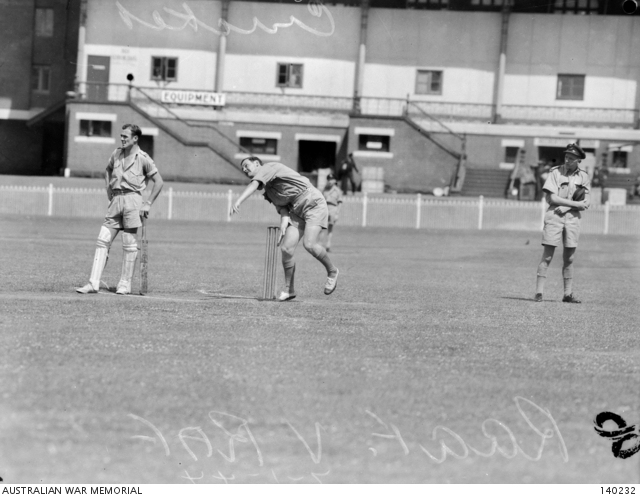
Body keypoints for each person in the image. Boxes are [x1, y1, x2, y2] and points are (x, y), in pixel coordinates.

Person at [230, 156, 339, 301]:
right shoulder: (268, 190)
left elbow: (254, 184)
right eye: (242, 168)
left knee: (309, 244)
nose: (244, 169)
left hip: (312, 202)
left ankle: (332, 271)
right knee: (286, 248)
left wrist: (238, 201)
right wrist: (283, 222)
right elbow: (282, 208)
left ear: (257, 164)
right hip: (297, 210)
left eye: (246, 165)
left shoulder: (267, 168)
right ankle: (290, 290)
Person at [76, 124, 164, 295]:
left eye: (125, 136)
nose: (122, 139)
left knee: (129, 244)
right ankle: (92, 283)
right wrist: (108, 188)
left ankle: (124, 284)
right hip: (116, 200)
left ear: (135, 138)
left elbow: (159, 182)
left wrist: (148, 203)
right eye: (121, 136)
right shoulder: (116, 153)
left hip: (133, 201)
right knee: (103, 239)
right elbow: (108, 170)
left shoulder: (143, 158)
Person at [534, 143, 590, 304]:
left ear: (578, 160)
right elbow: (552, 198)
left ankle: (567, 294)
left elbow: (587, 201)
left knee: (570, 257)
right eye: (566, 157)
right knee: (548, 255)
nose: (567, 160)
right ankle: (539, 293)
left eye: (571, 158)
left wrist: (566, 206)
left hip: (572, 218)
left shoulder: (584, 176)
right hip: (554, 215)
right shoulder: (555, 172)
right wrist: (574, 204)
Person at [322, 173, 343, 252]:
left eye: (331, 179)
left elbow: (340, 202)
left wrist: (337, 213)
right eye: (328, 179)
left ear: (335, 181)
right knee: (321, 227)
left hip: (333, 209)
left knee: (330, 228)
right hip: (324, 208)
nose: (329, 181)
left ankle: (328, 244)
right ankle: (319, 244)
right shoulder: (325, 189)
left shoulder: (337, 190)